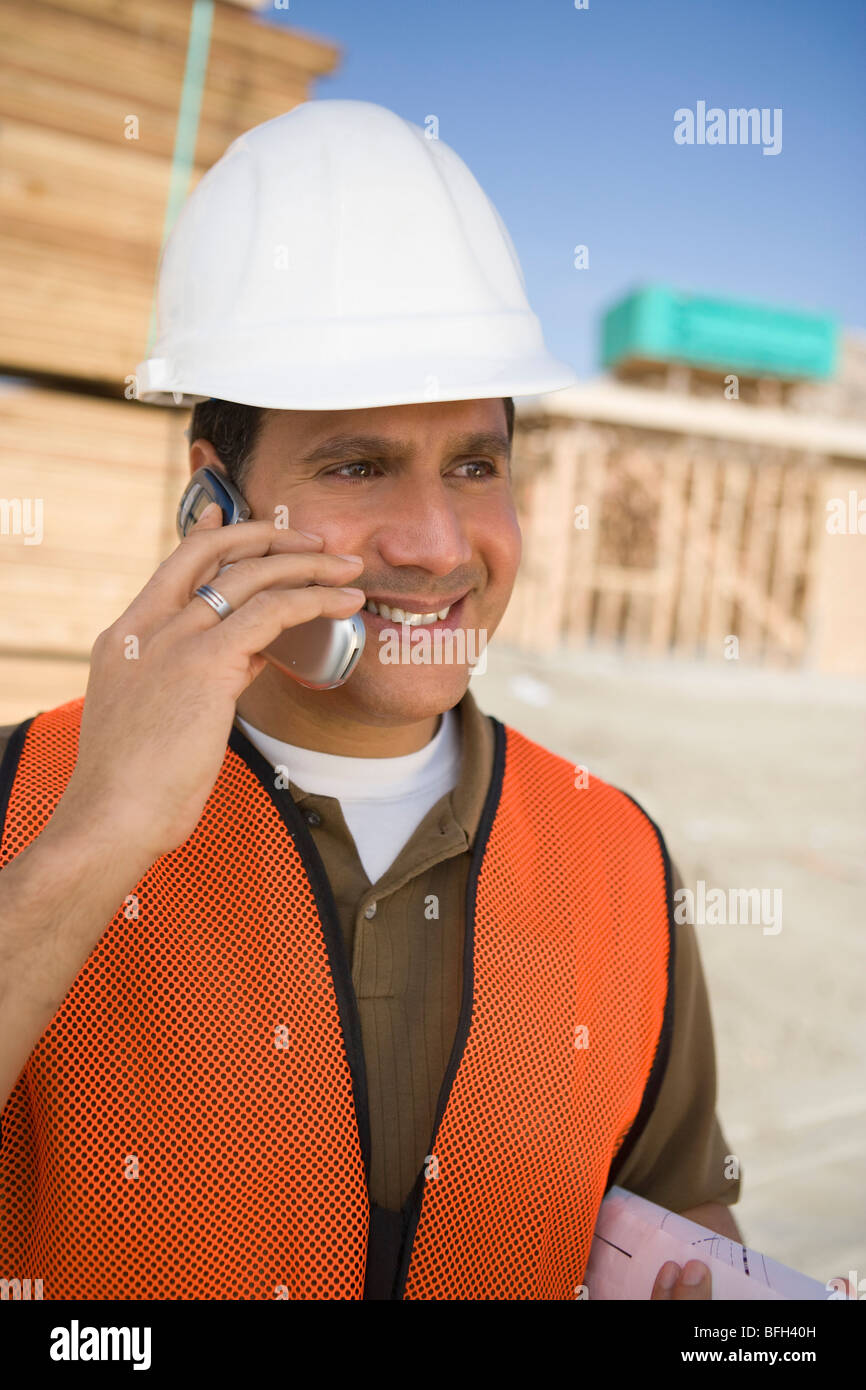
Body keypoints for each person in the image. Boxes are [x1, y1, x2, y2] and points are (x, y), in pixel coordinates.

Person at [0, 100, 740, 1301]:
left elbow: (676, 1198)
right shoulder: (22, 799)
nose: (436, 544)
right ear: (213, 505)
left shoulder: (613, 850)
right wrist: (96, 839)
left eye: (472, 465)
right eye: (356, 466)